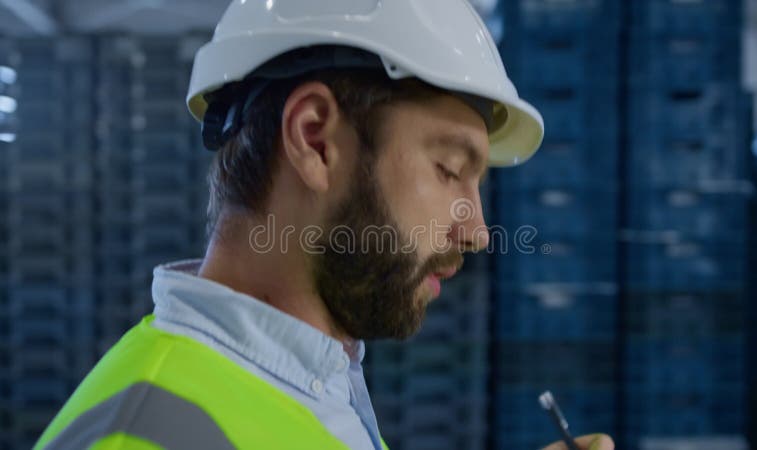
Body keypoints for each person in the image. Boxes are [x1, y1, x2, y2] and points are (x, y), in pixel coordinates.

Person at [34, 0, 613, 449]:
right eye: (448, 170)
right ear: (315, 139)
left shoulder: (316, 379)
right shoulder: (143, 437)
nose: (478, 231)